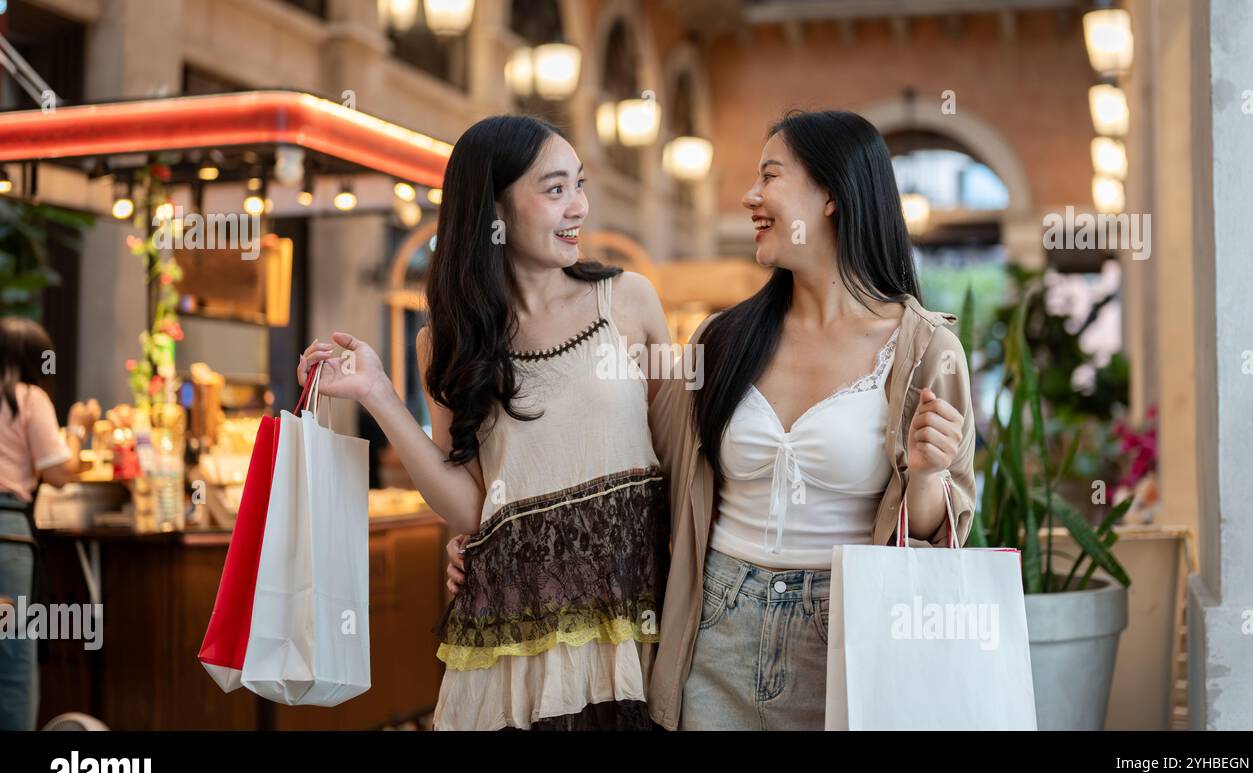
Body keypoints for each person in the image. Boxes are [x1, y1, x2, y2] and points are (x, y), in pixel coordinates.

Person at [298, 115, 672, 730]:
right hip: (511, 641)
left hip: (629, 625)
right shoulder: (449, 342)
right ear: (492, 211)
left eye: (578, 185)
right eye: (554, 190)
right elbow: (473, 506)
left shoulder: (627, 302)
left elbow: (678, 460)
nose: (577, 205)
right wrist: (379, 396)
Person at [645, 110, 978, 730]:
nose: (750, 197)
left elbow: (938, 538)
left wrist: (929, 476)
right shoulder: (721, 339)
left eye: (769, 176)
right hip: (714, 626)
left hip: (846, 636)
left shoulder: (926, 350)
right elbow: (647, 471)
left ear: (831, 195)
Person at [0, 316, 98, 731]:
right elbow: (59, 471)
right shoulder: (26, 397)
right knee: (14, 658)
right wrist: (78, 428)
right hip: (7, 535)